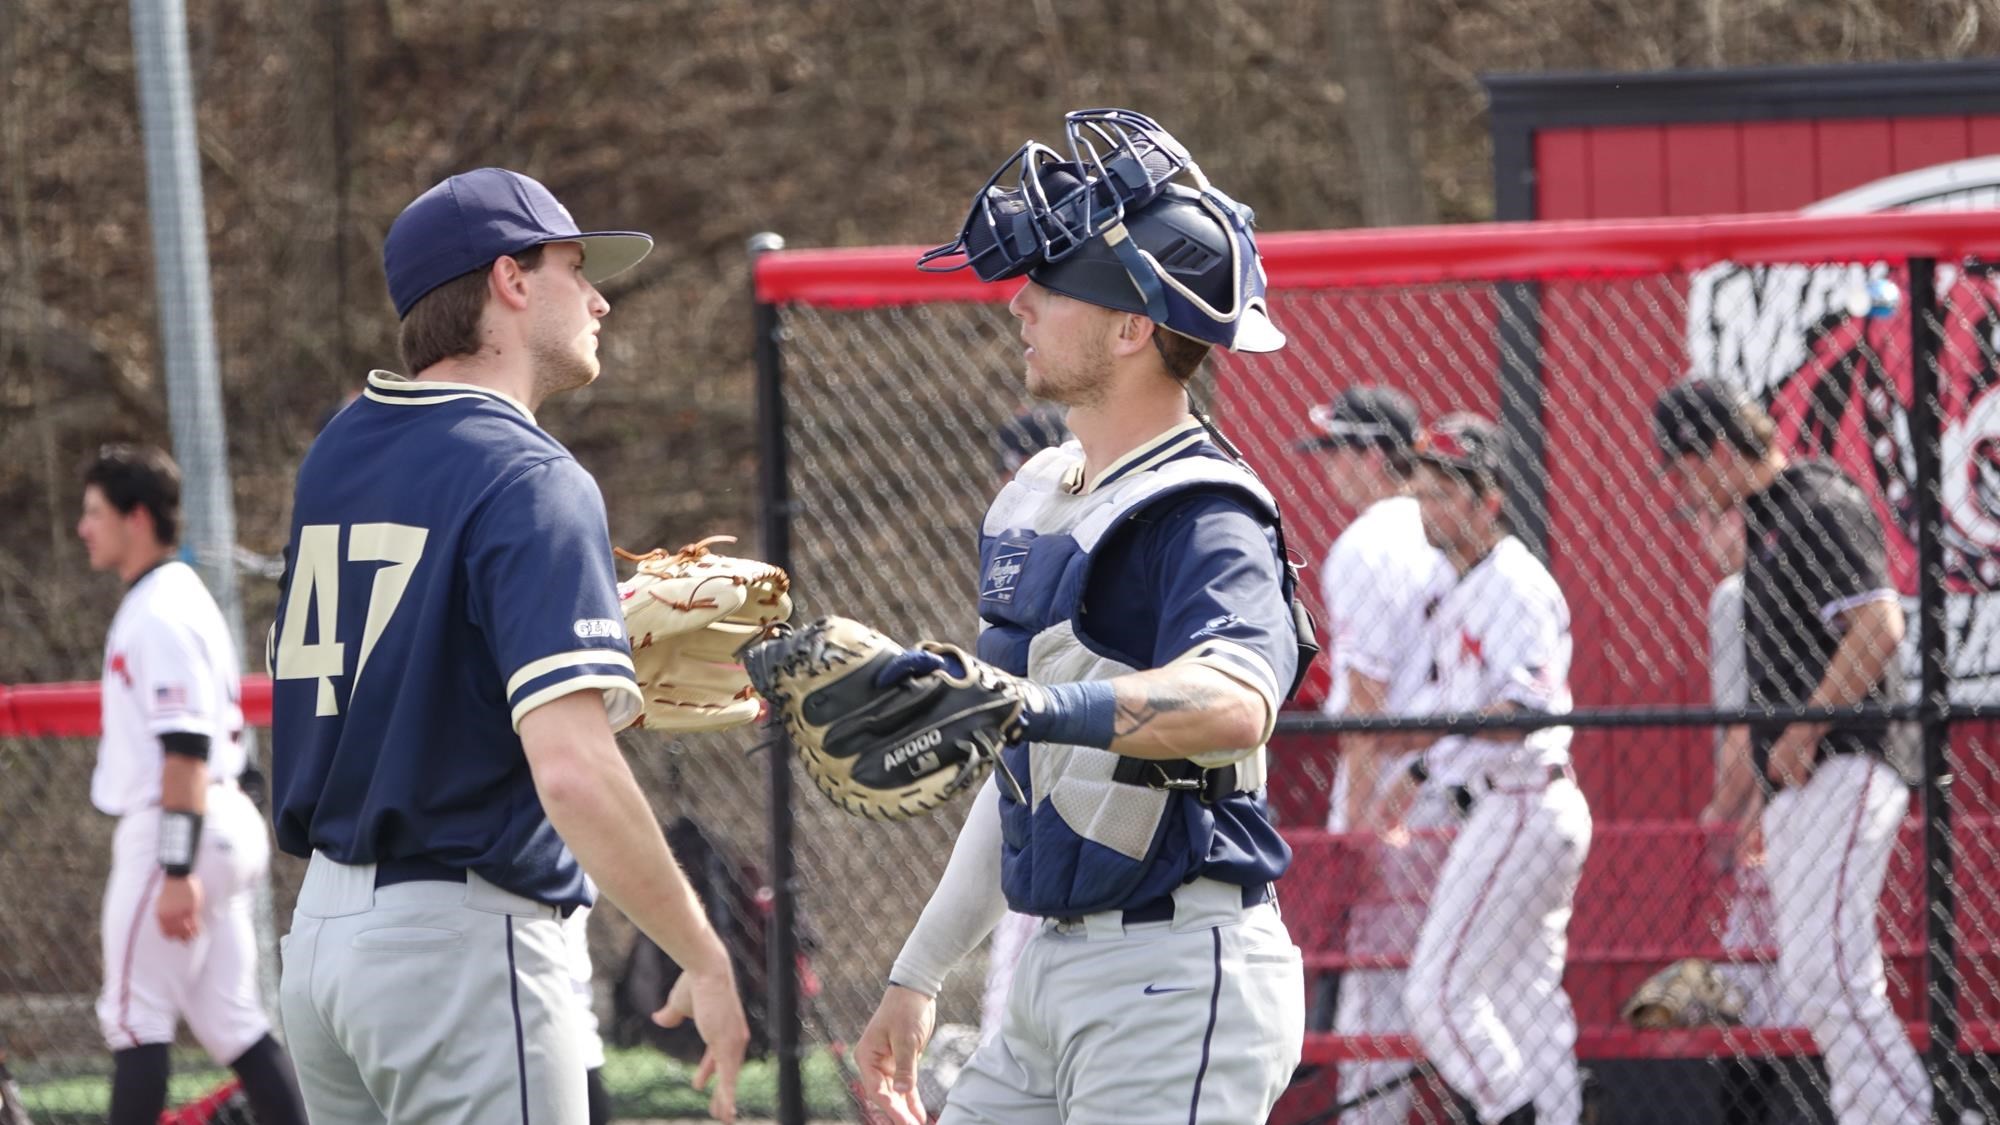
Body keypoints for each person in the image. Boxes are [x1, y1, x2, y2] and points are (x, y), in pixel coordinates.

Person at [853, 109, 1307, 1125]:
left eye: (1051, 284)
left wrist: (1027, 706)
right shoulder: (1042, 492)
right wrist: (919, 971)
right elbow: (1027, 765)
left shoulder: (1202, 512)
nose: (1019, 302)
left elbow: (1235, 705)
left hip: (1176, 974)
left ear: (1130, 326)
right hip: (1053, 970)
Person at [268, 167, 748, 1125]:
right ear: (511, 282)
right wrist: (703, 949)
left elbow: (426, 654)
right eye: (576, 267)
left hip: (321, 944)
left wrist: (578, 618)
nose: (601, 297)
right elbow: (570, 772)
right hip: (457, 948)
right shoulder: (532, 475)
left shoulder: (339, 450)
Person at [1654, 379, 1927, 1125]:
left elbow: (1878, 627)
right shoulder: (1769, 520)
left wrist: (1804, 728)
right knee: (1817, 974)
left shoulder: (1816, 504)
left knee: (1832, 967)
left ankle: (1904, 1115)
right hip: (1803, 781)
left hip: (1848, 760)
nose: (1681, 488)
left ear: (1715, 448)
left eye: (1682, 467)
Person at [76, 443, 309, 1125]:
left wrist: (177, 865)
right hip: (221, 815)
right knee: (235, 1022)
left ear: (136, 516)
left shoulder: (161, 609)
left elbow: (182, 745)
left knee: (133, 1017)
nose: (85, 527)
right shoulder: (175, 596)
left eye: (95, 512)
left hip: (180, 824)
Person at [1399, 414, 1592, 1125]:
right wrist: (1422, 772)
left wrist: (1440, 735)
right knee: (1526, 998)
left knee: (1439, 993)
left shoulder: (1511, 580)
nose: (1430, 507)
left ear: (1489, 500)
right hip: (1513, 800)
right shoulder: (1466, 582)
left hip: (1520, 796)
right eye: (1423, 492)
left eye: (1446, 491)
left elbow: (1526, 708)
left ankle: (1512, 1111)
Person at [1296, 386, 1453, 1124]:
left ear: (1370, 455)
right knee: (1454, 980)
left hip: (1390, 788)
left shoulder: (1365, 543)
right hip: (1453, 775)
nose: (1327, 469)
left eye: (1334, 451)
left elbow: (1365, 698)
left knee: (1375, 994)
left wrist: (1354, 822)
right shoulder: (1444, 527)